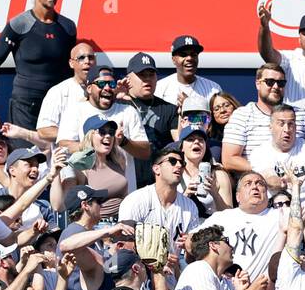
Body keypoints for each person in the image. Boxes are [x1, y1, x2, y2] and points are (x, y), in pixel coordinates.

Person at [0, 0, 77, 133]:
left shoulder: (68, 27)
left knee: (59, 157)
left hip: (58, 105)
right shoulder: (19, 24)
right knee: (26, 157)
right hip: (25, 106)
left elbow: (73, 69)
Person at [221, 64, 305, 176]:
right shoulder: (242, 115)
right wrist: (266, 172)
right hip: (258, 186)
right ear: (258, 84)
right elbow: (229, 160)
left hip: (298, 186)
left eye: (281, 83)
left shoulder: (300, 115)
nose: (275, 86)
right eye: (270, 82)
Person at [56, 64, 151, 162]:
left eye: (111, 84)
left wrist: (123, 141)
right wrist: (92, 144)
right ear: (89, 88)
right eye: (101, 84)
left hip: (122, 176)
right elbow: (64, 145)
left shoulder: (128, 111)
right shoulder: (74, 111)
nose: (107, 88)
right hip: (88, 176)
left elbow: (145, 152)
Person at [116, 144, 200, 247]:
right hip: (139, 262)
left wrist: (188, 247)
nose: (179, 165)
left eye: (182, 163)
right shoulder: (136, 200)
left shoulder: (190, 207)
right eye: (172, 161)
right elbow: (124, 246)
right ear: (156, 169)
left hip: (177, 262)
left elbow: (192, 256)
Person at [53, 117, 133, 219]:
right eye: (102, 132)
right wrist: (55, 175)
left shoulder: (118, 159)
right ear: (89, 136)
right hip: (97, 227)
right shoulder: (79, 168)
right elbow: (59, 206)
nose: (108, 135)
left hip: (123, 221)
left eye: (111, 132)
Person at [121, 52, 180, 187]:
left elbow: (179, 143)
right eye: (142, 75)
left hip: (156, 181)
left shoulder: (169, 109)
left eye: (151, 74)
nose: (147, 79)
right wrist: (114, 98)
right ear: (128, 78)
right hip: (124, 177)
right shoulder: (118, 106)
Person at [34, 42, 96, 145]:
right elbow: (43, 131)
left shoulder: (106, 90)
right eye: (81, 58)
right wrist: (81, 136)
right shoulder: (58, 92)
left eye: (91, 57)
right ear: (71, 63)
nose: (87, 61)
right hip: (68, 159)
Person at [177, 126, 232, 215]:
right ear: (181, 147)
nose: (196, 142)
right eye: (190, 139)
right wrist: (185, 196)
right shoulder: (175, 173)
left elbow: (229, 215)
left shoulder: (219, 175)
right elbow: (167, 211)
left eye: (201, 140)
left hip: (211, 226)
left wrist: (215, 194)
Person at [156, 35, 223, 103]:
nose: (189, 58)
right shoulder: (159, 87)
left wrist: (189, 104)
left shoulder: (213, 88)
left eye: (193, 54)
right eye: (183, 55)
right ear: (173, 60)